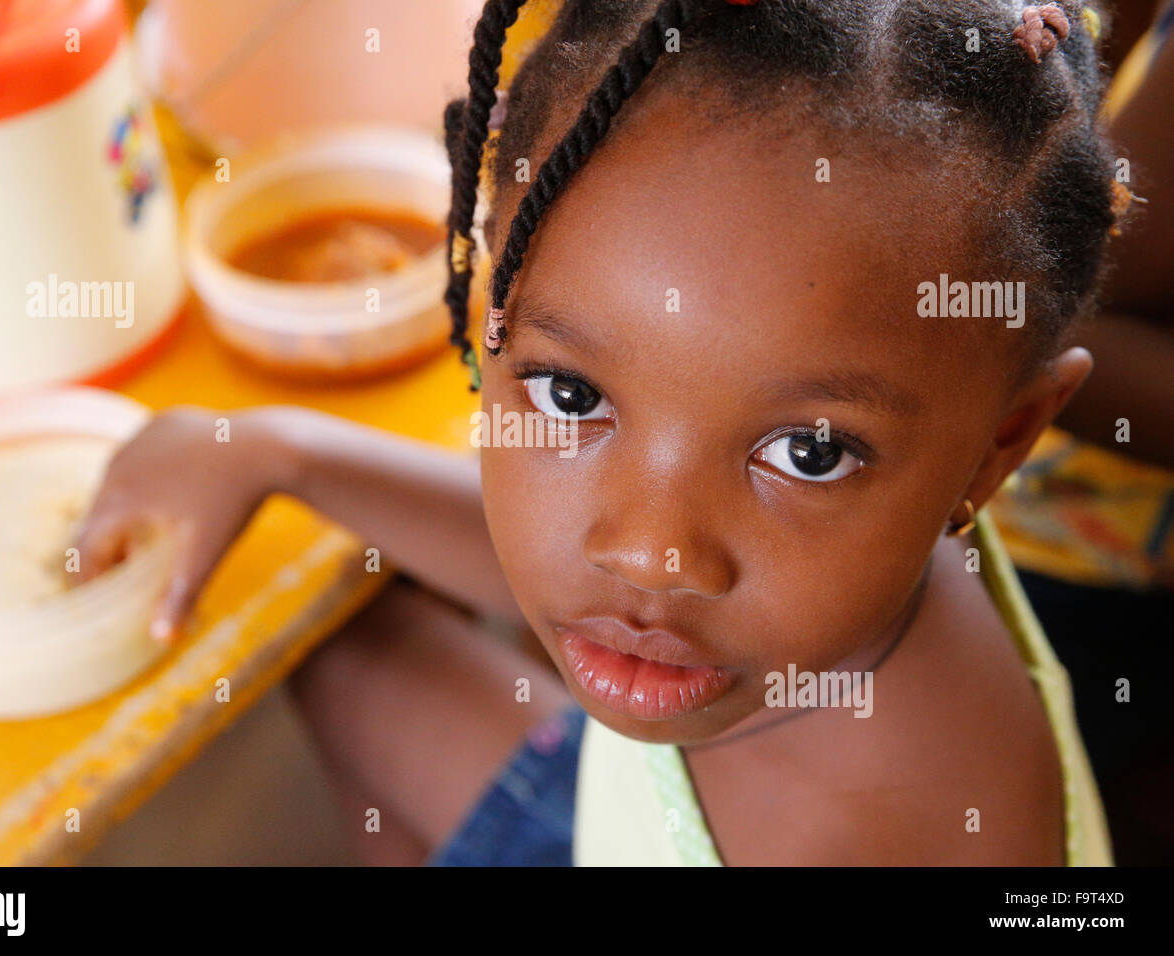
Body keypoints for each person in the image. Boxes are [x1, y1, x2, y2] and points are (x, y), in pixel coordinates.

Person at [76, 0, 1124, 865]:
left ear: (1001, 445)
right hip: (622, 794)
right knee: (337, 650)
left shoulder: (900, 829)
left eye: (807, 452)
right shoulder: (764, 621)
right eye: (572, 396)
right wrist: (278, 450)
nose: (644, 548)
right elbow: (585, 582)